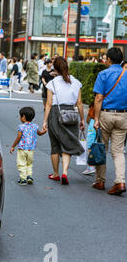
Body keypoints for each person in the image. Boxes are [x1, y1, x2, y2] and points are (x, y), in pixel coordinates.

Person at [42, 56, 85, 185]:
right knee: (67, 143)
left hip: (56, 114)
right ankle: (65, 172)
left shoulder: (53, 83)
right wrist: (82, 119)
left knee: (55, 145)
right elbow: (80, 103)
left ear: (56, 68)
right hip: (71, 114)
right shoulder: (76, 82)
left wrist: (45, 121)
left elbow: (48, 104)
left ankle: (56, 174)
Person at [92, 47, 127, 195]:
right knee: (118, 151)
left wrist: (96, 118)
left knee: (102, 147)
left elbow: (99, 98)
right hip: (123, 115)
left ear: (109, 60)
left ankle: (100, 181)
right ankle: (120, 182)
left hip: (106, 114)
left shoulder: (103, 74)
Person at [10, 107, 47, 185]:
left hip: (22, 149)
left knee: (21, 163)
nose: (20, 118)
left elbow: (19, 137)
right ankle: (29, 176)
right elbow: (40, 133)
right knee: (29, 163)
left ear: (23, 117)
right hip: (31, 150)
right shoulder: (35, 126)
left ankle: (23, 179)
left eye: (20, 116)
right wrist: (44, 131)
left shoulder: (21, 127)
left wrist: (13, 146)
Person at [82, 100, 97, 175]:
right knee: (98, 146)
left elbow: (88, 119)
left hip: (93, 125)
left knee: (90, 146)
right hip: (102, 125)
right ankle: (97, 166)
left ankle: (90, 167)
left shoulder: (93, 105)